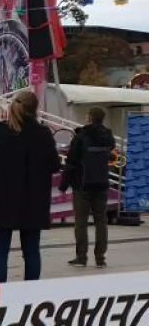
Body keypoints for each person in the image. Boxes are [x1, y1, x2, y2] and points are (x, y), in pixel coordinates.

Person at [0, 91, 60, 283]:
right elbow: (55, 165)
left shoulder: (1, 132)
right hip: (34, 200)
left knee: (0, 251)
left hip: (2, 198)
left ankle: (0, 292)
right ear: (36, 109)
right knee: (31, 251)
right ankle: (30, 293)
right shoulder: (43, 134)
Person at [61, 107, 115, 268]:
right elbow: (110, 153)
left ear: (90, 118)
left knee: (81, 222)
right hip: (102, 184)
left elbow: (71, 162)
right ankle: (100, 258)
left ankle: (81, 257)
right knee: (101, 222)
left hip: (82, 185)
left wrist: (64, 184)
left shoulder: (81, 136)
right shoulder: (108, 136)